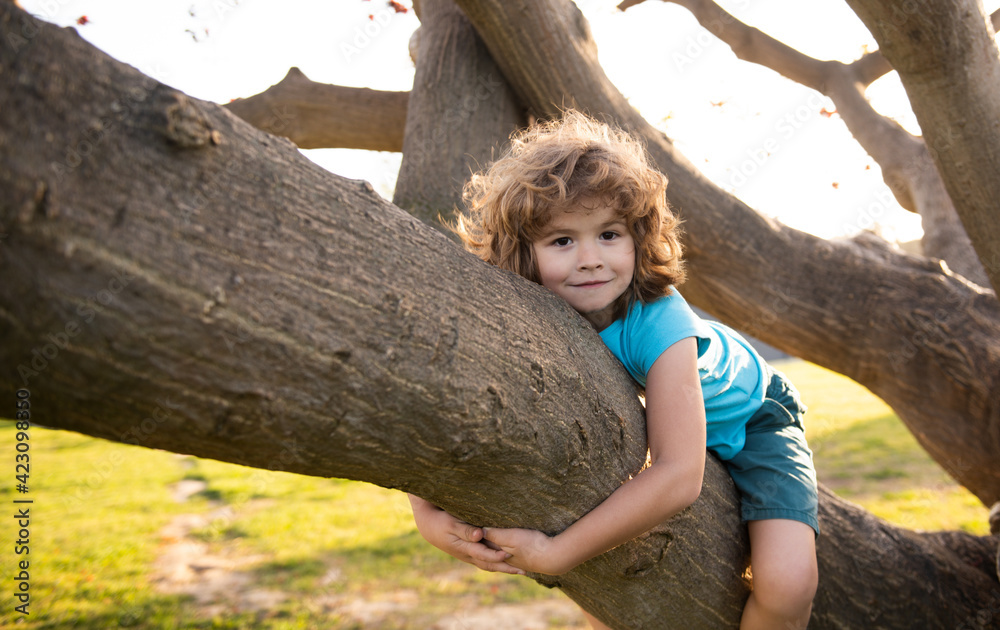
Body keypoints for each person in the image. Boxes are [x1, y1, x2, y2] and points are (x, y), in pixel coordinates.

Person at [407, 110, 819, 630]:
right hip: (663, 422)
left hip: (754, 420)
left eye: (609, 234)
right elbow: (450, 396)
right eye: (562, 241)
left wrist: (557, 555)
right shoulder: (526, 312)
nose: (590, 259)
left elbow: (677, 475)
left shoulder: (659, 317)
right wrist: (426, 514)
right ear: (524, 253)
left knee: (787, 587)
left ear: (638, 237)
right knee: (608, 604)